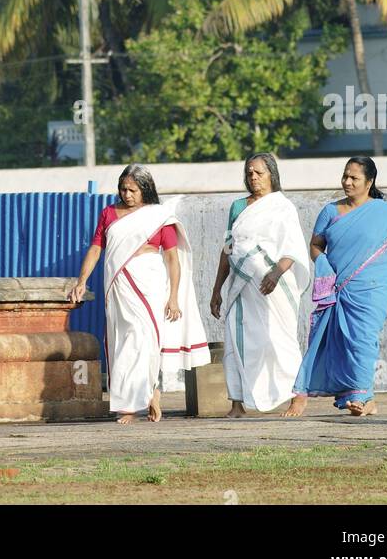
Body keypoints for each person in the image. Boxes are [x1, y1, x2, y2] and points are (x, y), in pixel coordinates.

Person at [285, 156, 387, 418]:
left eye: (354, 178)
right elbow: (316, 246)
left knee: (363, 339)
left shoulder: (385, 213)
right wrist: (322, 262)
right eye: (345, 176)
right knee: (333, 340)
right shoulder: (330, 211)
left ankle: (363, 397)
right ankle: (353, 396)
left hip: (372, 287)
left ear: (369, 182)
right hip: (338, 286)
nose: (347, 182)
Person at [67, 164, 210, 423]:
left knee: (144, 341)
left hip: (149, 282)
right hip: (118, 284)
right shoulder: (109, 213)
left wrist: (174, 296)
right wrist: (81, 281)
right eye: (123, 189)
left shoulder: (158, 216)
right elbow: (96, 248)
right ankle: (133, 402)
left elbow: (171, 258)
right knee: (122, 342)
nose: (127, 194)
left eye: (132, 189)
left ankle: (145, 395)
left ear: (145, 189)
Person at [210, 153, 309, 418]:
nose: (253, 177)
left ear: (271, 175)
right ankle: (237, 404)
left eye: (259, 173)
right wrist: (216, 289)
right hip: (239, 286)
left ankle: (298, 396)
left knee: (279, 339)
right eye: (249, 173)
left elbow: (293, 248)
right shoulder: (238, 207)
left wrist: (275, 274)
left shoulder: (282, 207)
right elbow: (228, 249)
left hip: (271, 286)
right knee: (235, 338)